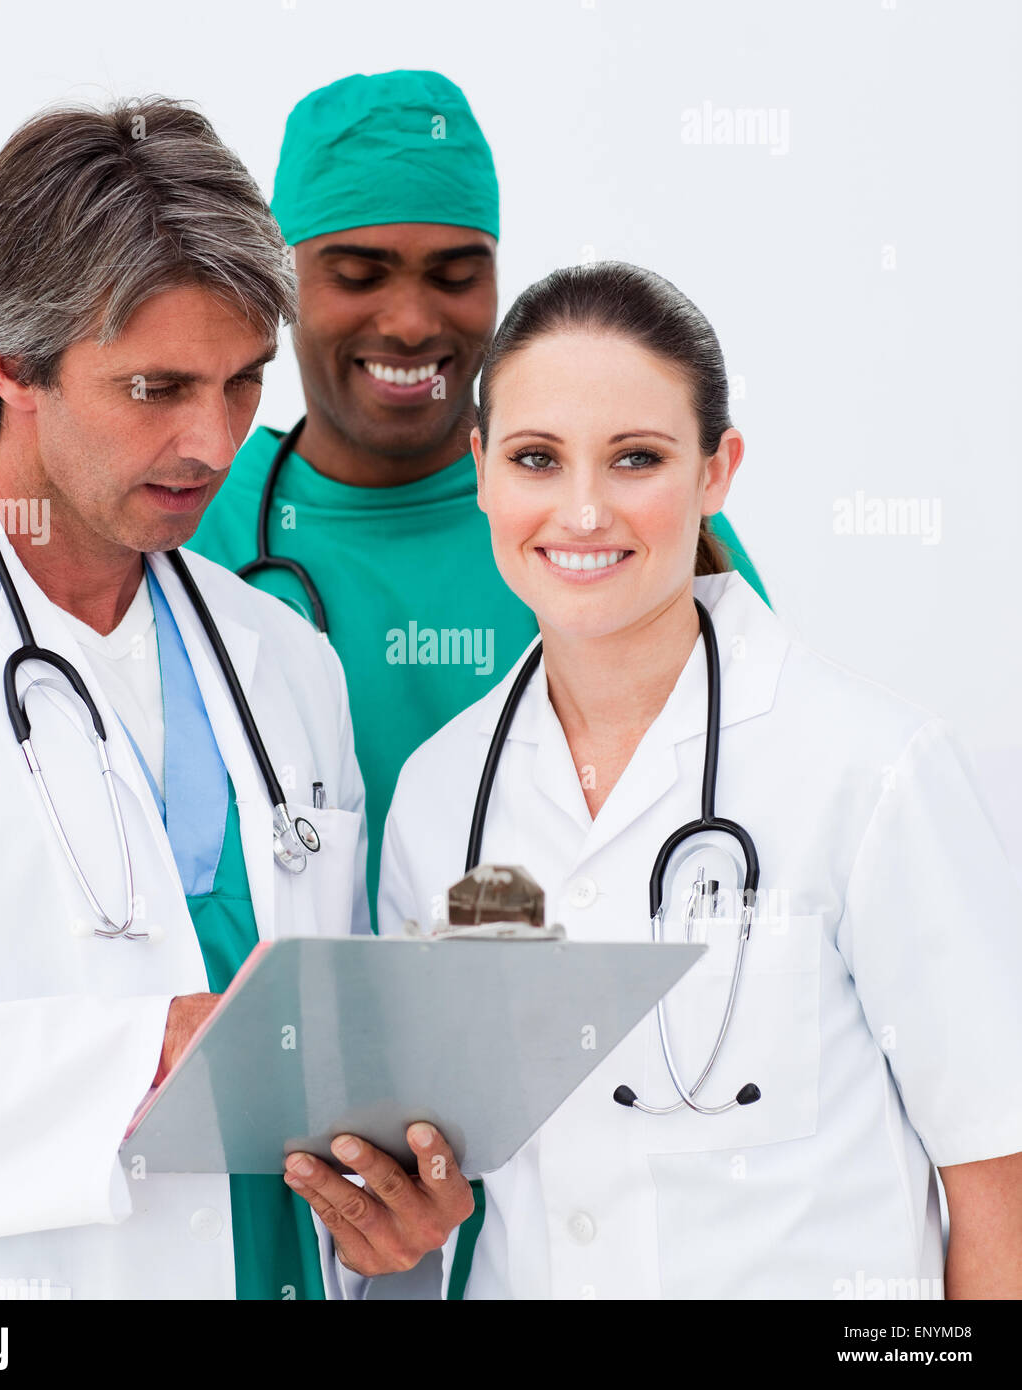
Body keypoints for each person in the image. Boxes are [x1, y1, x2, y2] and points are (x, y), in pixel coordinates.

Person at [0, 96, 467, 1301]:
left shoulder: (278, 659)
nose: (213, 440)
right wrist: (148, 1054)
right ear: (11, 363)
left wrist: (391, 1224)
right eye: (156, 388)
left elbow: (334, 1079)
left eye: (242, 383)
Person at [378, 261, 1022, 1299]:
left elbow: (999, 1176)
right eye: (537, 458)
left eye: (636, 458)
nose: (582, 512)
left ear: (717, 471)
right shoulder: (441, 792)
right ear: (480, 471)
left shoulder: (867, 770)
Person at [190, 70, 770, 919]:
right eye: (358, 273)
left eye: (455, 275)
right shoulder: (199, 521)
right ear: (283, 283)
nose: (413, 322)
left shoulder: (618, 527)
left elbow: (769, 777)